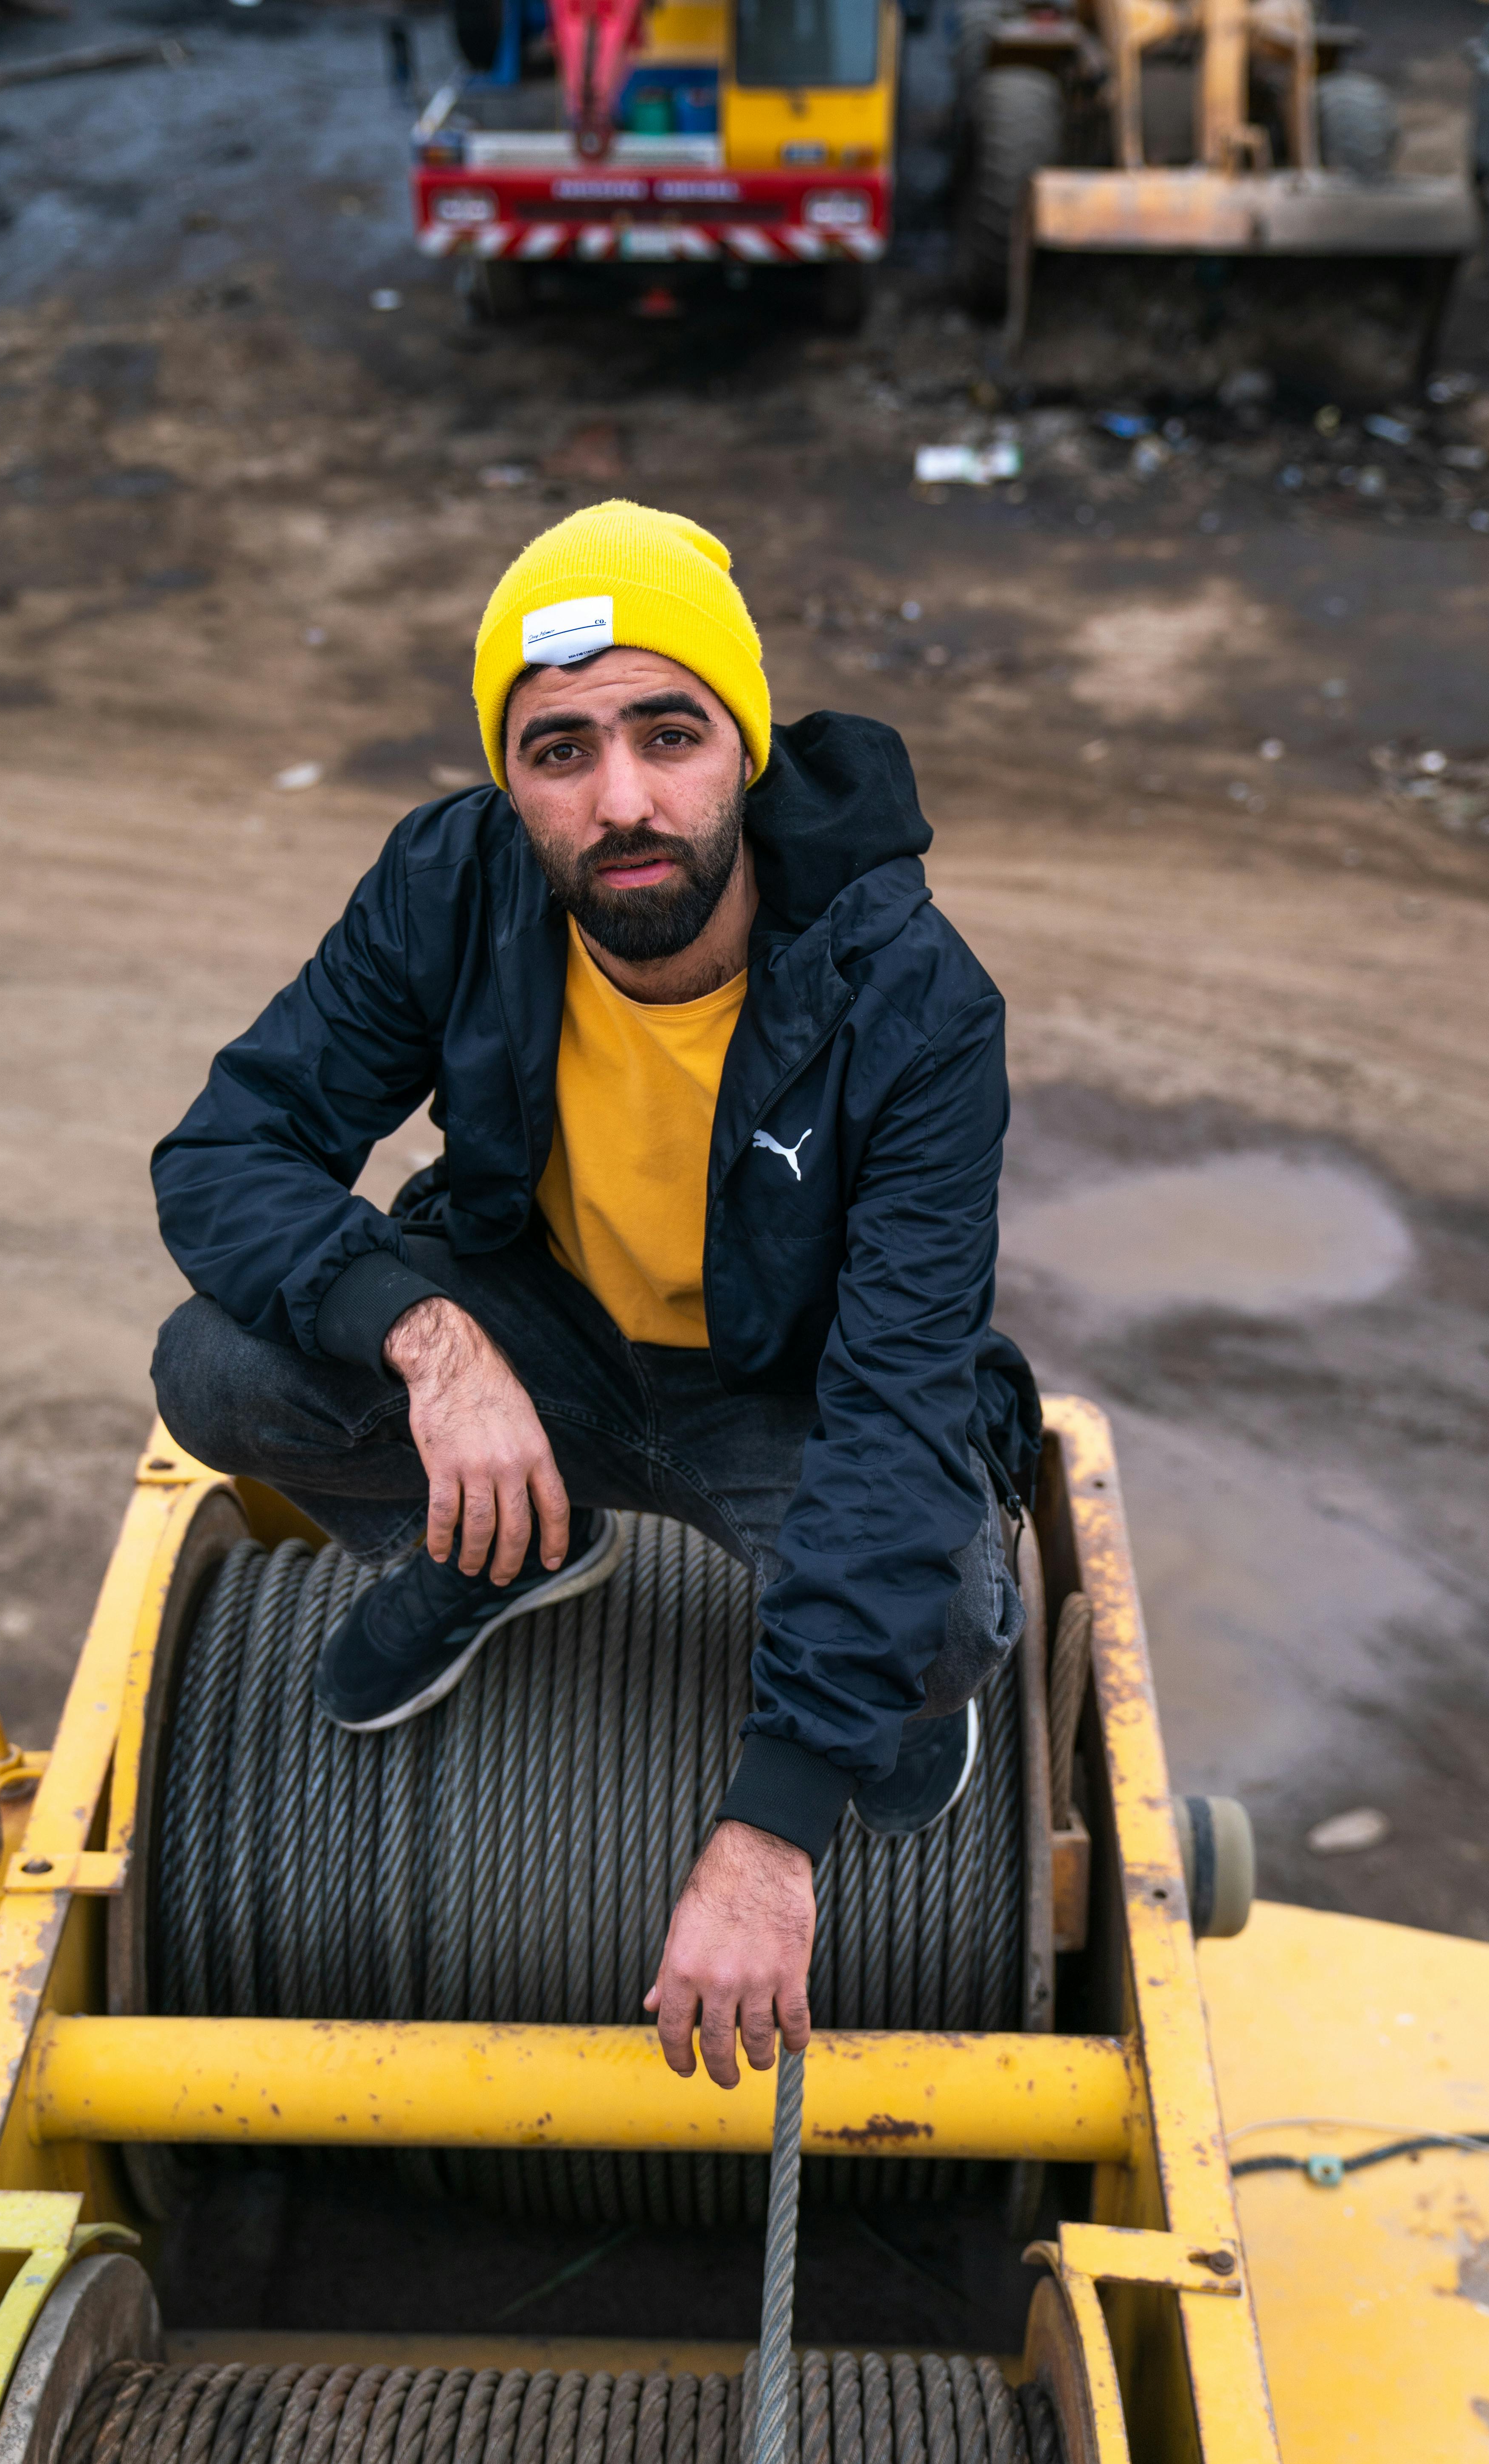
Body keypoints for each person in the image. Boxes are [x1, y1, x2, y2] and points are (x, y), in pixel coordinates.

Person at [150, 501, 1037, 2096]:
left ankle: (876, 1703)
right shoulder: (449, 883)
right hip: (543, 1331)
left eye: (667, 735)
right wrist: (430, 1340)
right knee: (217, 1371)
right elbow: (227, 1153)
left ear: (746, 749)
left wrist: (773, 1829)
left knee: (948, 1622)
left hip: (787, 1394)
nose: (621, 800)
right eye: (559, 751)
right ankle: (519, 1539)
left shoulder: (915, 998)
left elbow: (900, 1404)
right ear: (512, 784)